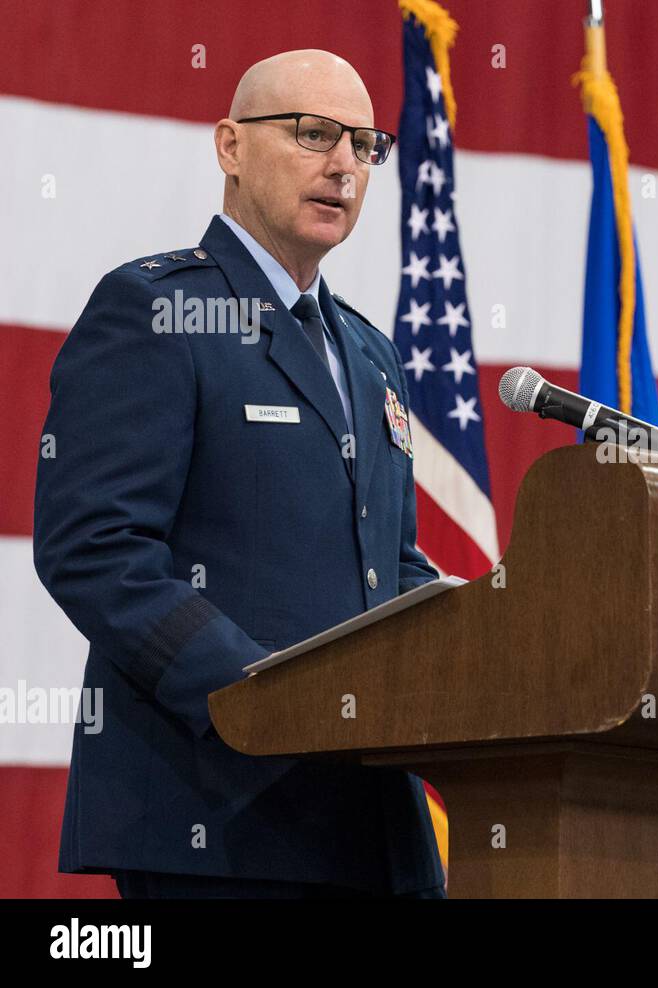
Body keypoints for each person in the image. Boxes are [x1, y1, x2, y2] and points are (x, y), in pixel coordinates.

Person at [33, 50, 445, 898]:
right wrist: (262, 699)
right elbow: (95, 547)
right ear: (229, 146)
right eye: (312, 134)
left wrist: (489, 634)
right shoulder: (156, 309)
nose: (344, 165)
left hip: (371, 825)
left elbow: (389, 568)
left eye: (365, 145)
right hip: (219, 816)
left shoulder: (371, 355)